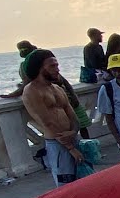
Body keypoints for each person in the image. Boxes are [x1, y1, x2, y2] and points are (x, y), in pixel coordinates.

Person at [20, 50, 85, 186]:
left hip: (72, 138)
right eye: (52, 66)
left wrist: (74, 131)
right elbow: (47, 122)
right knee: (66, 183)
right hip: (58, 144)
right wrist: (71, 148)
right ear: (40, 68)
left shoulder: (57, 88)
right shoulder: (32, 90)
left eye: (57, 65)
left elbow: (71, 113)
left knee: (84, 180)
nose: (57, 69)